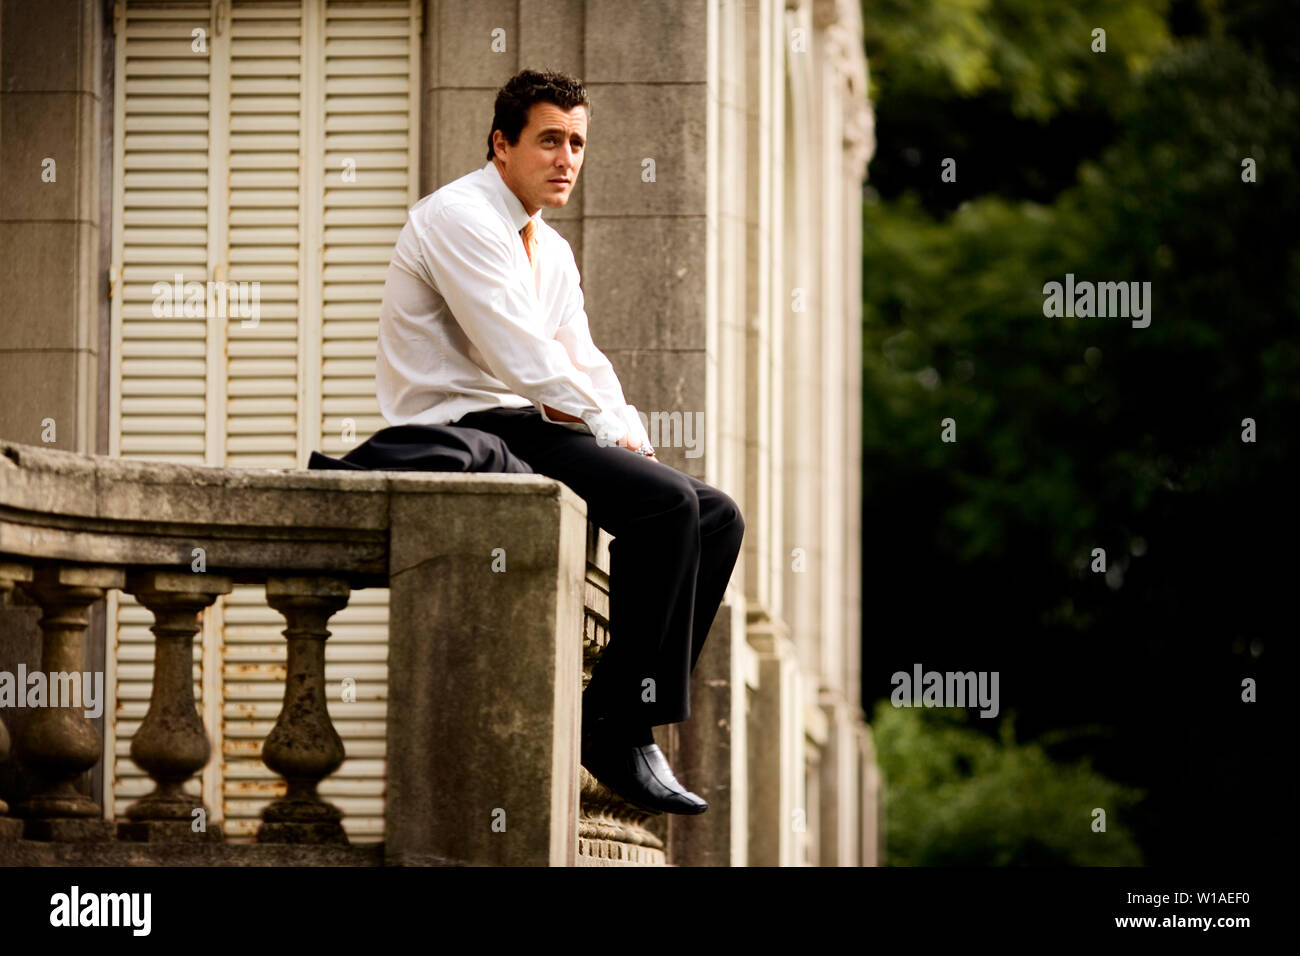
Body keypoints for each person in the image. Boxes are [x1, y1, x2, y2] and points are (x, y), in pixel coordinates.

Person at [373, 68, 744, 815]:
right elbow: (518, 354)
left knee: (715, 515)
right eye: (549, 140)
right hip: (467, 427)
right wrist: (602, 423)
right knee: (667, 507)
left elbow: (579, 359)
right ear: (501, 144)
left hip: (533, 421)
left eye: (576, 143)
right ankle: (614, 727)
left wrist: (623, 422)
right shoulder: (459, 217)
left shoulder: (551, 248)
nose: (566, 158)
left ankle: (624, 710)